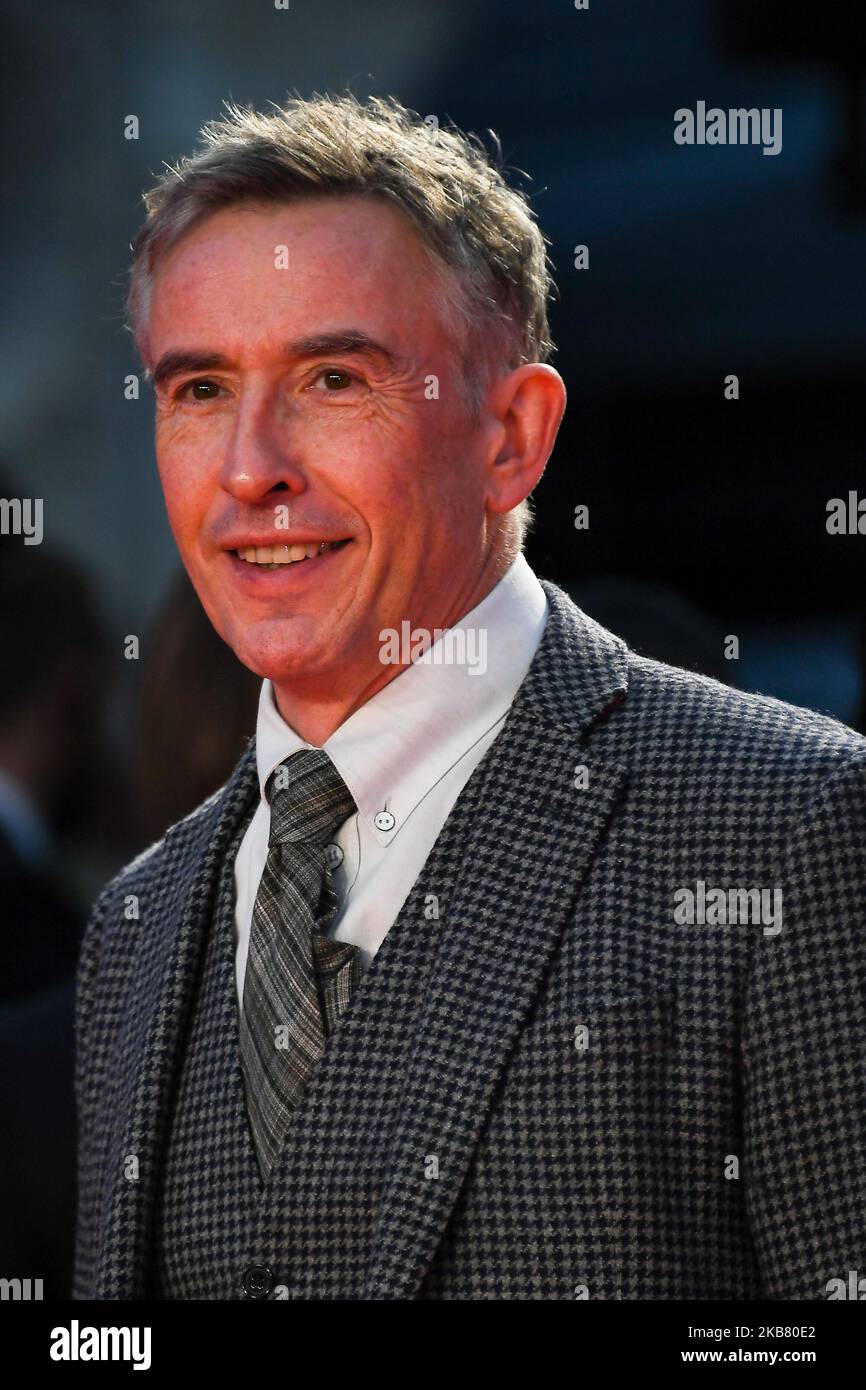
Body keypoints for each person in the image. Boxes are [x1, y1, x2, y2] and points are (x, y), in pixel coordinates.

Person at [73, 93, 866, 1301]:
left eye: (333, 379)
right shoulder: (134, 926)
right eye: (197, 391)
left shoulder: (791, 820)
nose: (249, 467)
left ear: (511, 435)